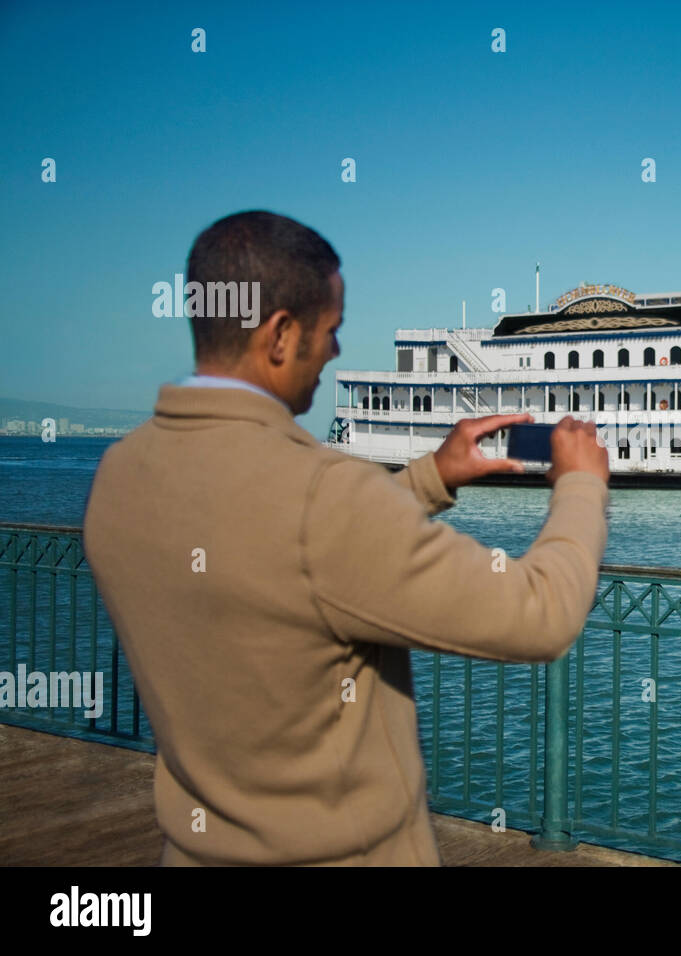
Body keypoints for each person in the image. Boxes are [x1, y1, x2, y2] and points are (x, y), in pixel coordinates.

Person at [83, 210, 611, 865]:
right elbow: (541, 615)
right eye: (330, 332)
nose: (335, 354)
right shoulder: (324, 495)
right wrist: (581, 484)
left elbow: (276, 546)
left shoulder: (120, 475)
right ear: (280, 335)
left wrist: (428, 477)